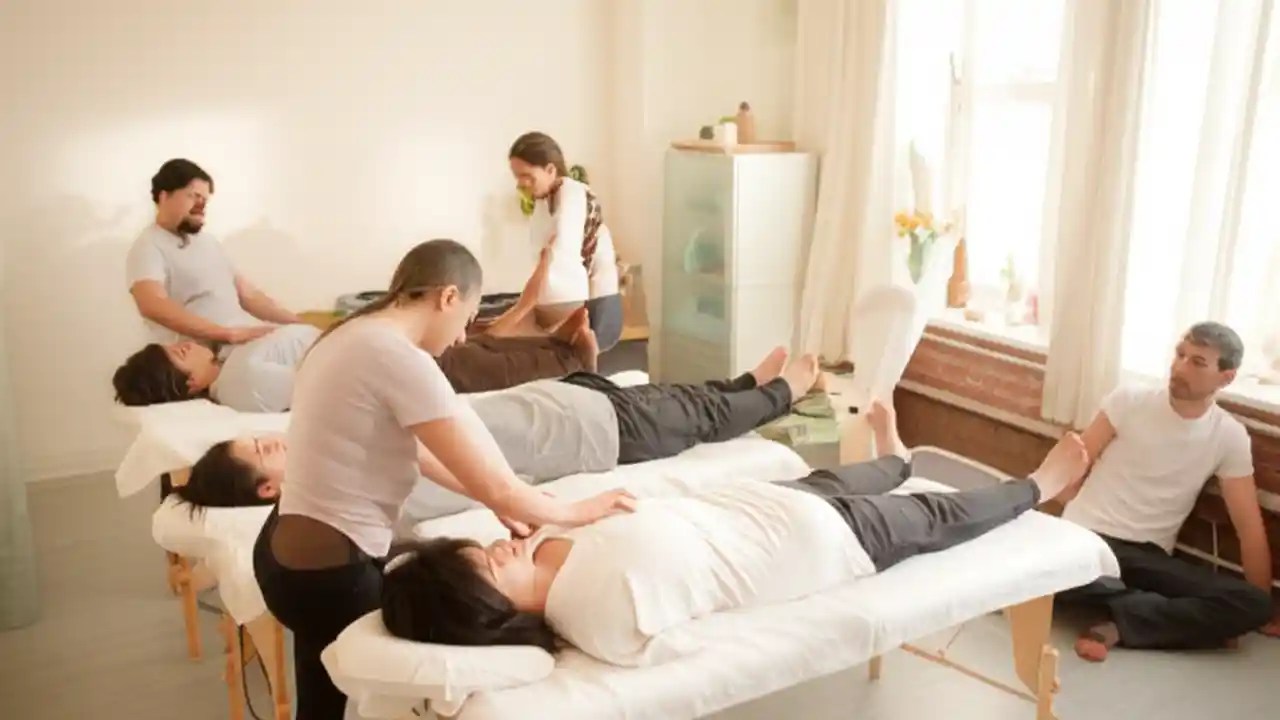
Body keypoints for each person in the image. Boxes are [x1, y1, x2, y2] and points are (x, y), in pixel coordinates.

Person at [378, 400, 1093, 666]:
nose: (494, 547)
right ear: (487, 610)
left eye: (480, 547)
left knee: (853, 475)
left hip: (762, 503)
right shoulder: (596, 618)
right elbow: (685, 647)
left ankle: (898, 457)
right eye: (486, 566)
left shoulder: (539, 541)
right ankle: (1040, 486)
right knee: (941, 516)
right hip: (826, 546)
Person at [251, 239, 634, 719]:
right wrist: (577, 510)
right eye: (468, 318)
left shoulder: (347, 336)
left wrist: (496, 499)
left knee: (322, 693)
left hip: (284, 552)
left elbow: (417, 450)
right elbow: (500, 483)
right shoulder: (397, 357)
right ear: (448, 297)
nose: (461, 336)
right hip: (325, 570)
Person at [169, 345, 819, 515]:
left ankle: (747, 382)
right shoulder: (360, 494)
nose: (276, 439)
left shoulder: (337, 452)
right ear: (268, 489)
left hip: (561, 402)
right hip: (588, 433)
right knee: (697, 419)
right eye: (264, 450)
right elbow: (475, 483)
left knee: (681, 396)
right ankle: (785, 393)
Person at [111, 244, 599, 410]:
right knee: (473, 362)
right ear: (188, 385)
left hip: (361, 343)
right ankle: (571, 359)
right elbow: (321, 383)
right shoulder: (242, 383)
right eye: (178, 355)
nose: (183, 346)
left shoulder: (236, 366)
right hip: (374, 361)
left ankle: (554, 343)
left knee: (472, 344)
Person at [1056, 322, 1278, 662]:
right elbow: (1071, 468)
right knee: (1060, 574)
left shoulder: (1228, 435)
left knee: (1252, 604)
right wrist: (1050, 525)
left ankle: (1120, 619)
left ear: (1226, 377)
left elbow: (1249, 528)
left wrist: (1262, 611)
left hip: (1147, 558)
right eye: (1180, 354)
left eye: (1197, 362)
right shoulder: (1129, 400)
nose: (1179, 367)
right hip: (1086, 537)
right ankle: (1148, 615)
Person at [125, 158, 298, 346]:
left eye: (205, 200)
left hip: (240, 342)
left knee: (306, 340)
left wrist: (300, 323)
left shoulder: (209, 242)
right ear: (164, 197)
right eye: (194, 196)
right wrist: (226, 334)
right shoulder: (148, 245)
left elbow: (248, 295)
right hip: (204, 352)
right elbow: (152, 304)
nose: (201, 206)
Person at [508, 132, 624, 351]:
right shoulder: (544, 202)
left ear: (550, 170)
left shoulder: (573, 195)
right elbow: (541, 254)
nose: (521, 183)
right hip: (576, 304)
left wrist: (523, 311)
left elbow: (561, 256)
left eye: (527, 175)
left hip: (597, 303)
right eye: (517, 177)